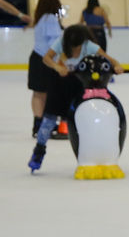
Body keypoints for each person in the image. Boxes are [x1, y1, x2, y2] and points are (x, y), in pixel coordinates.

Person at [29, 25, 124, 172]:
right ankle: (39, 151)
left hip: (80, 86)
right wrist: (57, 66)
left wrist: (117, 66)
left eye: (78, 47)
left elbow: (111, 60)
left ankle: (91, 152)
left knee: (82, 120)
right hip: (59, 85)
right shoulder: (60, 43)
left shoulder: (90, 46)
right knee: (49, 120)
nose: (75, 51)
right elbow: (46, 58)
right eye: (72, 48)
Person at [28, 0, 63, 136]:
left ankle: (38, 124)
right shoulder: (51, 19)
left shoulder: (40, 19)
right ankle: (45, 124)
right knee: (47, 93)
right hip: (47, 59)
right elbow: (54, 43)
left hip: (37, 57)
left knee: (38, 93)